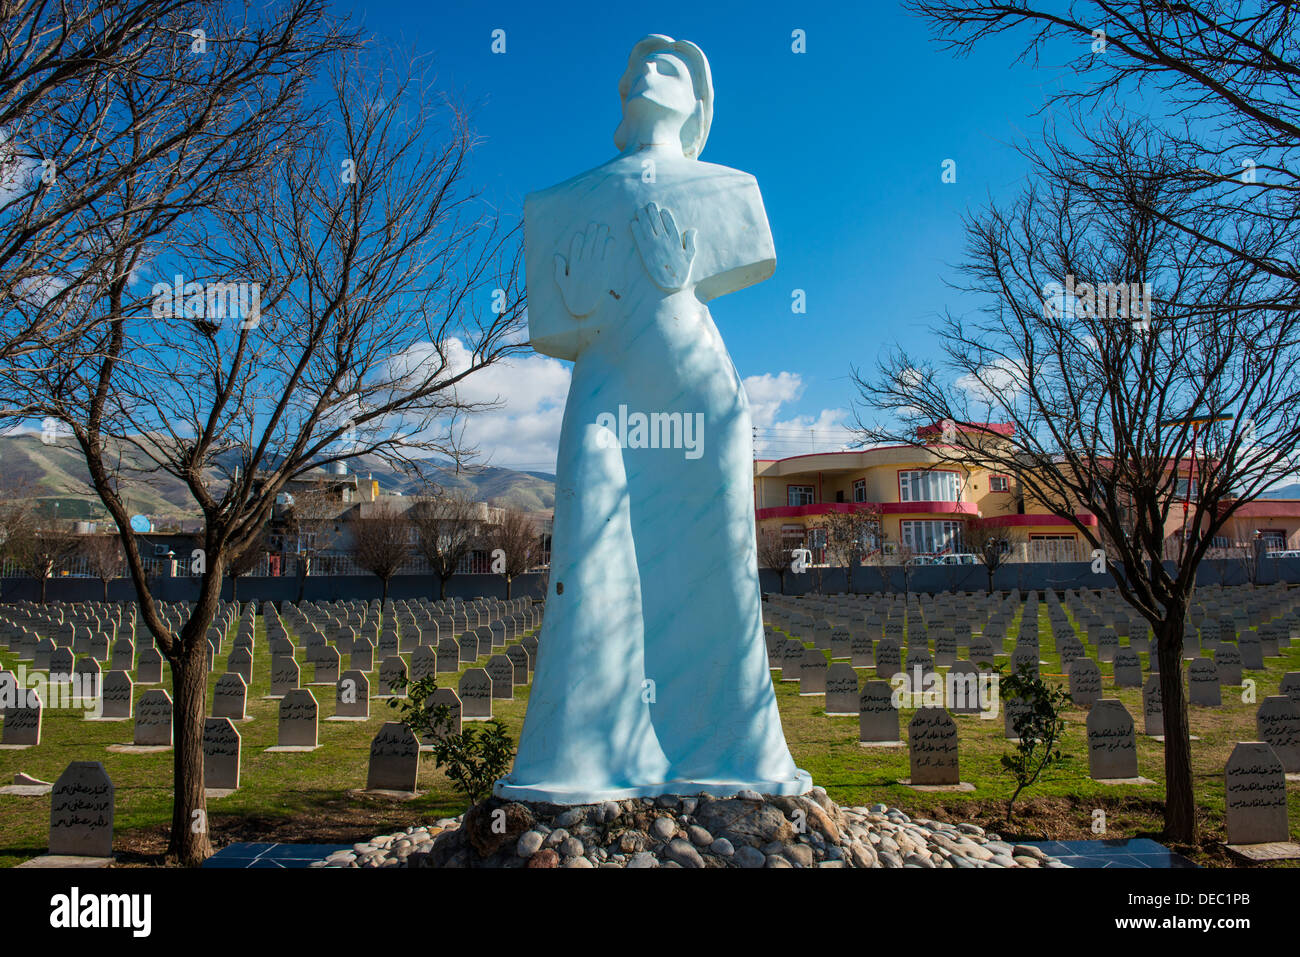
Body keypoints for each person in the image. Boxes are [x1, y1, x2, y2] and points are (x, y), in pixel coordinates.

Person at [495, 35, 810, 803]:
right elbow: (555, 328)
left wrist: (671, 289)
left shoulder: (728, 188)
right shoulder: (561, 203)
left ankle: (729, 754)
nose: (647, 70)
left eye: (673, 64)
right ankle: (581, 760)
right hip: (604, 390)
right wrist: (585, 303)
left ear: (699, 104)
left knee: (715, 567)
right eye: (637, 62)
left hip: (698, 391)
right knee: (590, 559)